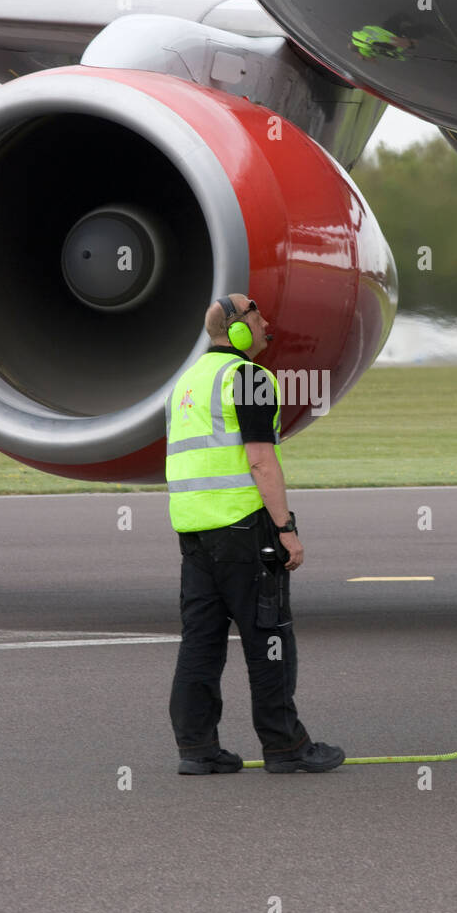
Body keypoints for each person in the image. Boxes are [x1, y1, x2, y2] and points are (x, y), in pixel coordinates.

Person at [165, 293, 345, 776]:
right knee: (269, 638)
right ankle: (285, 745)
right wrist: (286, 529)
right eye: (257, 313)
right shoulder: (249, 378)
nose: (267, 321)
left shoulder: (184, 384)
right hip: (244, 529)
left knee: (200, 643)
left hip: (194, 533)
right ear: (238, 329)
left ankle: (197, 748)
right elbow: (260, 460)